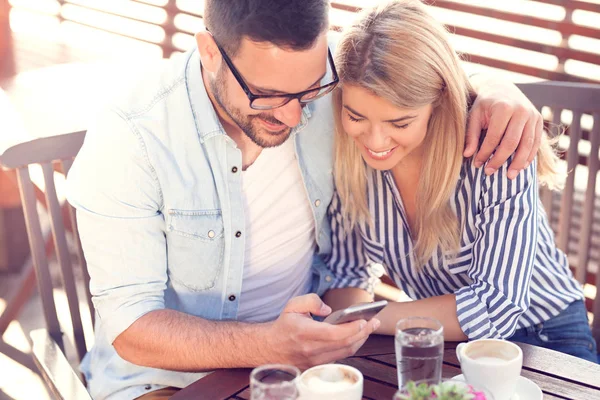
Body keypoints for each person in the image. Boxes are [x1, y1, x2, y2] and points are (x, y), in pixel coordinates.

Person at [67, 1, 546, 399]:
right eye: (269, 95)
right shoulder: (132, 137)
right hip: (168, 376)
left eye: (310, 91)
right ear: (210, 52)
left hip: (307, 366)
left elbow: (416, 71)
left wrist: (497, 90)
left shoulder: (328, 75)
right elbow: (132, 326)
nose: (296, 116)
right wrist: (269, 343)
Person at [323, 0, 597, 363]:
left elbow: (495, 307)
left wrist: (367, 319)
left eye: (399, 123)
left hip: (542, 336)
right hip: (445, 339)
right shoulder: (348, 155)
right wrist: (342, 330)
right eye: (356, 116)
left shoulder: (493, 147)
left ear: (438, 102)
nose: (374, 142)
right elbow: (347, 272)